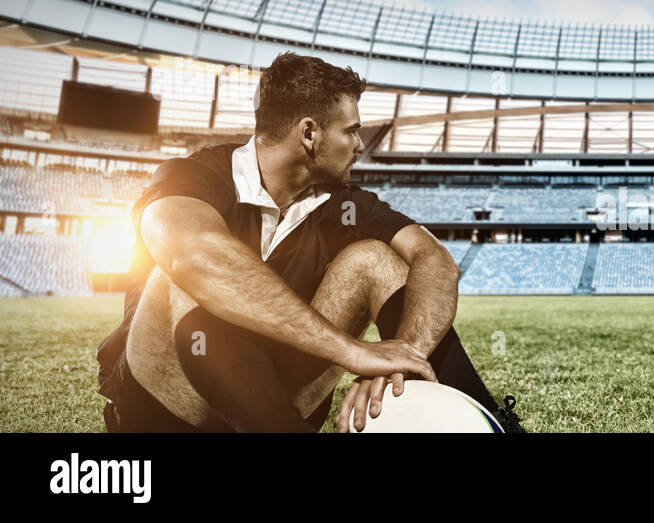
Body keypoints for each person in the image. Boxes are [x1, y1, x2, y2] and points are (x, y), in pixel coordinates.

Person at [95, 52, 524, 433]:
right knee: (187, 278)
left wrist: (403, 354)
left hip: (274, 402)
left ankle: (492, 426)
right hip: (162, 410)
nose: (360, 145)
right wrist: (353, 352)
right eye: (351, 131)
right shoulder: (194, 175)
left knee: (375, 260)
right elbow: (195, 255)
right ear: (308, 134)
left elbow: (434, 259)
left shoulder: (344, 204)